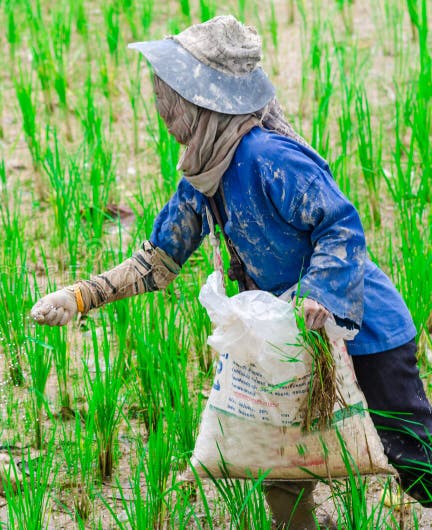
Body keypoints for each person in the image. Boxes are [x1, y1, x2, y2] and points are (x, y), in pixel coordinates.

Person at [29, 15, 432, 530]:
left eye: (170, 89)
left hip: (361, 329)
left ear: (205, 99)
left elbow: (341, 227)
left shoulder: (268, 157)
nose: (161, 102)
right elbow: (157, 263)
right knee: (279, 458)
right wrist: (80, 296)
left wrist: (320, 294)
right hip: (281, 337)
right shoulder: (203, 175)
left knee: (410, 451)